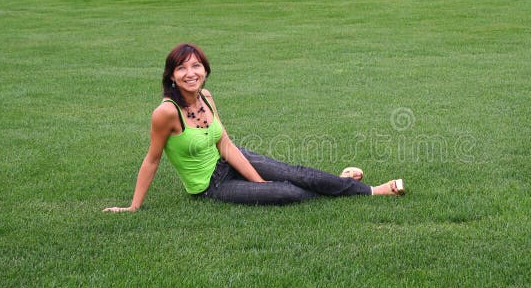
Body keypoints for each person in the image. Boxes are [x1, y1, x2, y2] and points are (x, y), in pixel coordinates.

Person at [103, 43, 405, 211]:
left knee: (296, 174)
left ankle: (372, 191)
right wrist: (133, 207)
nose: (190, 73)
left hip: (231, 161)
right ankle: (338, 182)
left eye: (196, 66)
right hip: (212, 186)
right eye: (181, 68)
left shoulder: (206, 98)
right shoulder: (166, 113)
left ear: (205, 71)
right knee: (287, 194)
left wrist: (257, 180)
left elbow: (226, 145)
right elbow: (152, 159)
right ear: (171, 77)